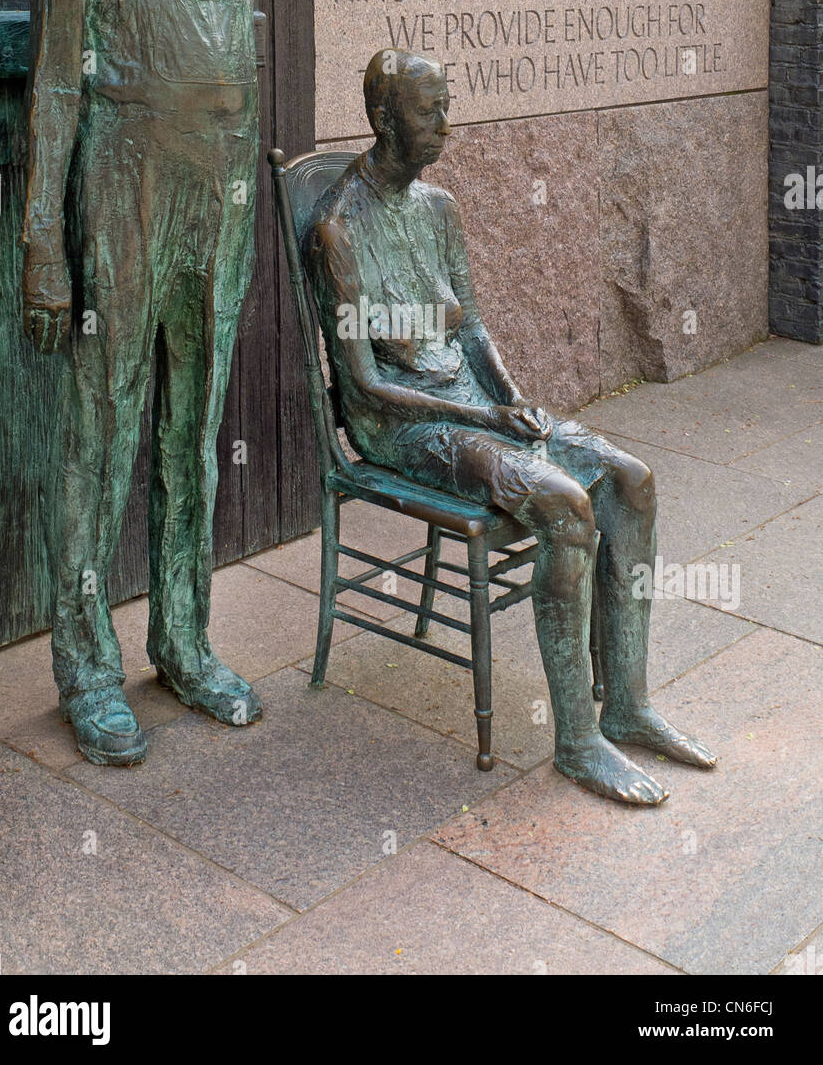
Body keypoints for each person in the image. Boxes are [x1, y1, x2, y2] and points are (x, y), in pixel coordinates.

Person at [306, 49, 716, 805]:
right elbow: (364, 383)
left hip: (471, 402)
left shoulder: (439, 210)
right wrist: (485, 416)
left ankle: (625, 705)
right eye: (430, 111)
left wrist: (518, 405)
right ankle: (577, 743)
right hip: (402, 427)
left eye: (446, 105)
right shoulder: (339, 228)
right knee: (565, 505)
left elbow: (474, 328)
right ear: (383, 118)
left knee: (632, 480)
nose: (446, 124)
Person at [22, 0, 261, 764]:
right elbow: (53, 84)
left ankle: (184, 637)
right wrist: (42, 240)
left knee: (191, 429)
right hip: (124, 185)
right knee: (103, 425)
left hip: (220, 190)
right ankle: (85, 666)